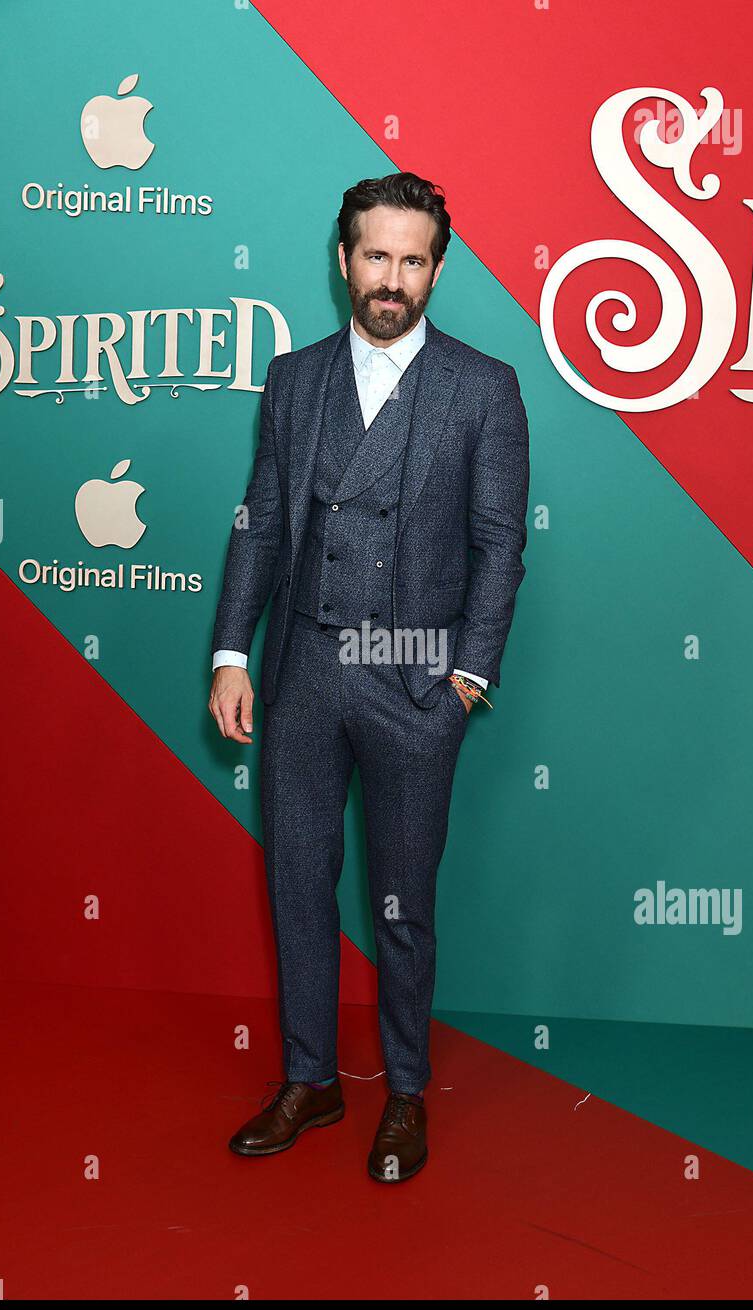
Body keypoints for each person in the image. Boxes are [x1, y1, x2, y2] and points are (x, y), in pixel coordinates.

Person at [208, 171, 530, 1182]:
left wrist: (466, 679)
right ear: (343, 259)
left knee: (402, 901)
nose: (392, 278)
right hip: (303, 667)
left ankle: (404, 1092)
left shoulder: (484, 386)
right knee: (296, 882)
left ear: (436, 269)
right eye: (376, 255)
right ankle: (309, 1079)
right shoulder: (293, 378)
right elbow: (261, 522)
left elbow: (498, 546)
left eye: (412, 260)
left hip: (413, 680)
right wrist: (231, 651)